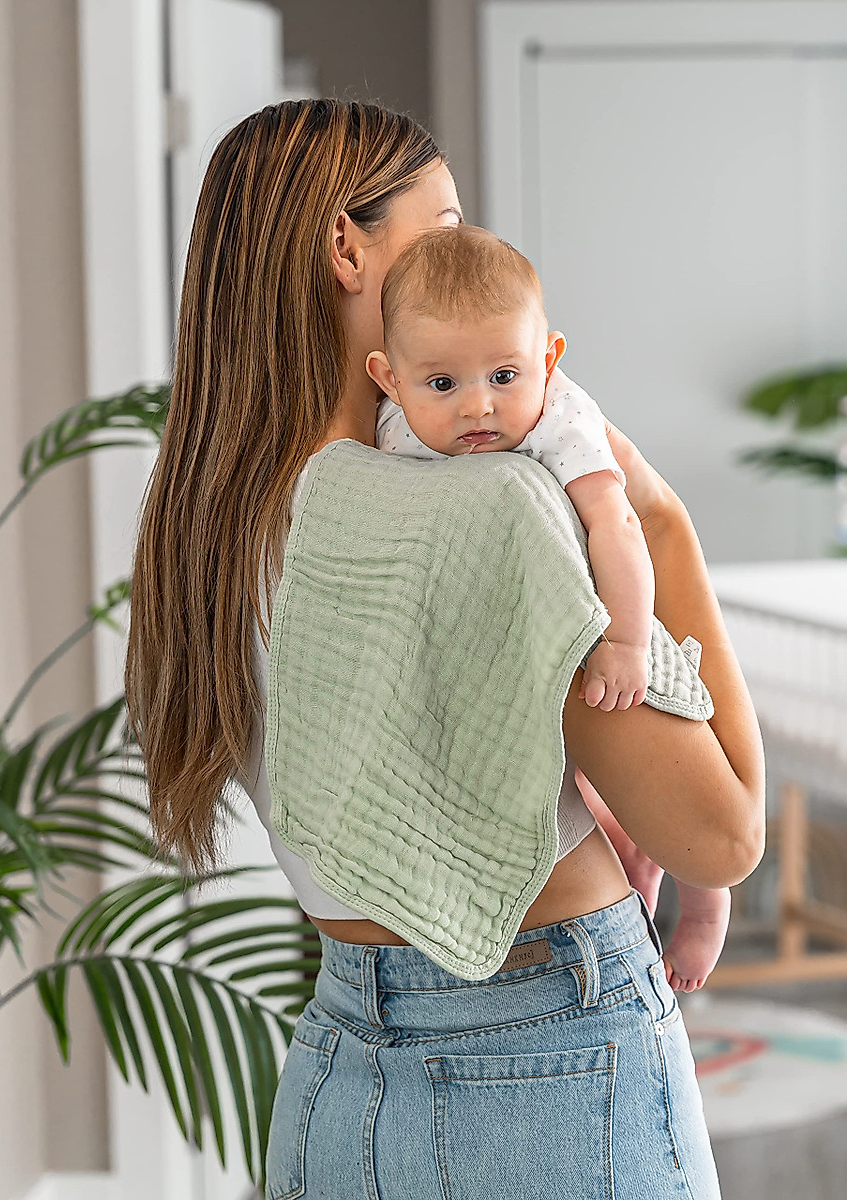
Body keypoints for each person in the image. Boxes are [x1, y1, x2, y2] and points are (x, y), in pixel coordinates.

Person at [125, 98, 765, 1200]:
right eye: (449, 219)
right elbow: (723, 834)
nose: (469, 251)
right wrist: (659, 520)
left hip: (337, 1068)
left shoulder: (213, 521)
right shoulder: (493, 509)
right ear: (346, 246)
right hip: (549, 1046)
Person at [366, 222, 733, 992]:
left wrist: (630, 643)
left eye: (505, 375)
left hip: (612, 610)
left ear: (548, 359)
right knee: (582, 793)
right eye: (444, 385)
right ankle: (639, 867)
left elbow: (619, 523)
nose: (479, 408)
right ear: (388, 379)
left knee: (674, 746)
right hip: (527, 642)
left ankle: (704, 910)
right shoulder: (392, 434)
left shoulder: (558, 419)